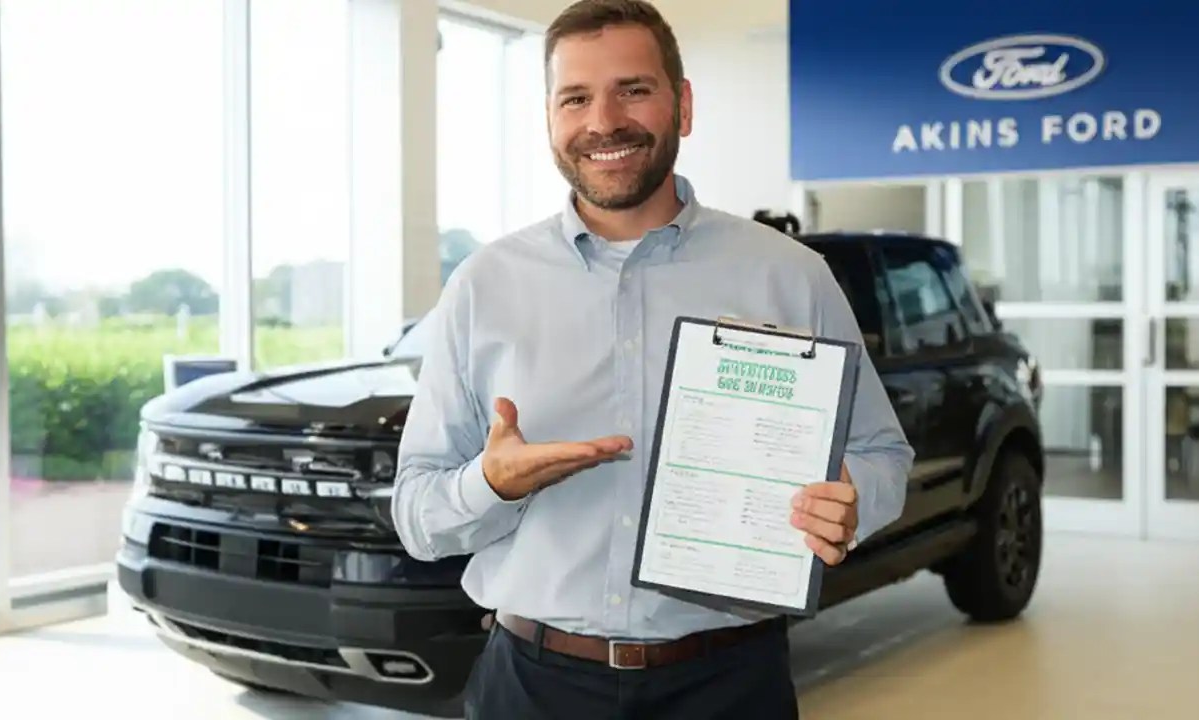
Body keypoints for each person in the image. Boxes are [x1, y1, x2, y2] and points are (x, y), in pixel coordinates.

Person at [391, 1, 913, 717]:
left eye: (633, 89)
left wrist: (845, 501)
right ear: (550, 116)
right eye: (575, 97)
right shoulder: (486, 287)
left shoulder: (789, 277)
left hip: (730, 683)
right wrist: (491, 483)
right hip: (535, 686)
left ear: (683, 104)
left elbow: (884, 453)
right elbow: (416, 516)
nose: (603, 120)